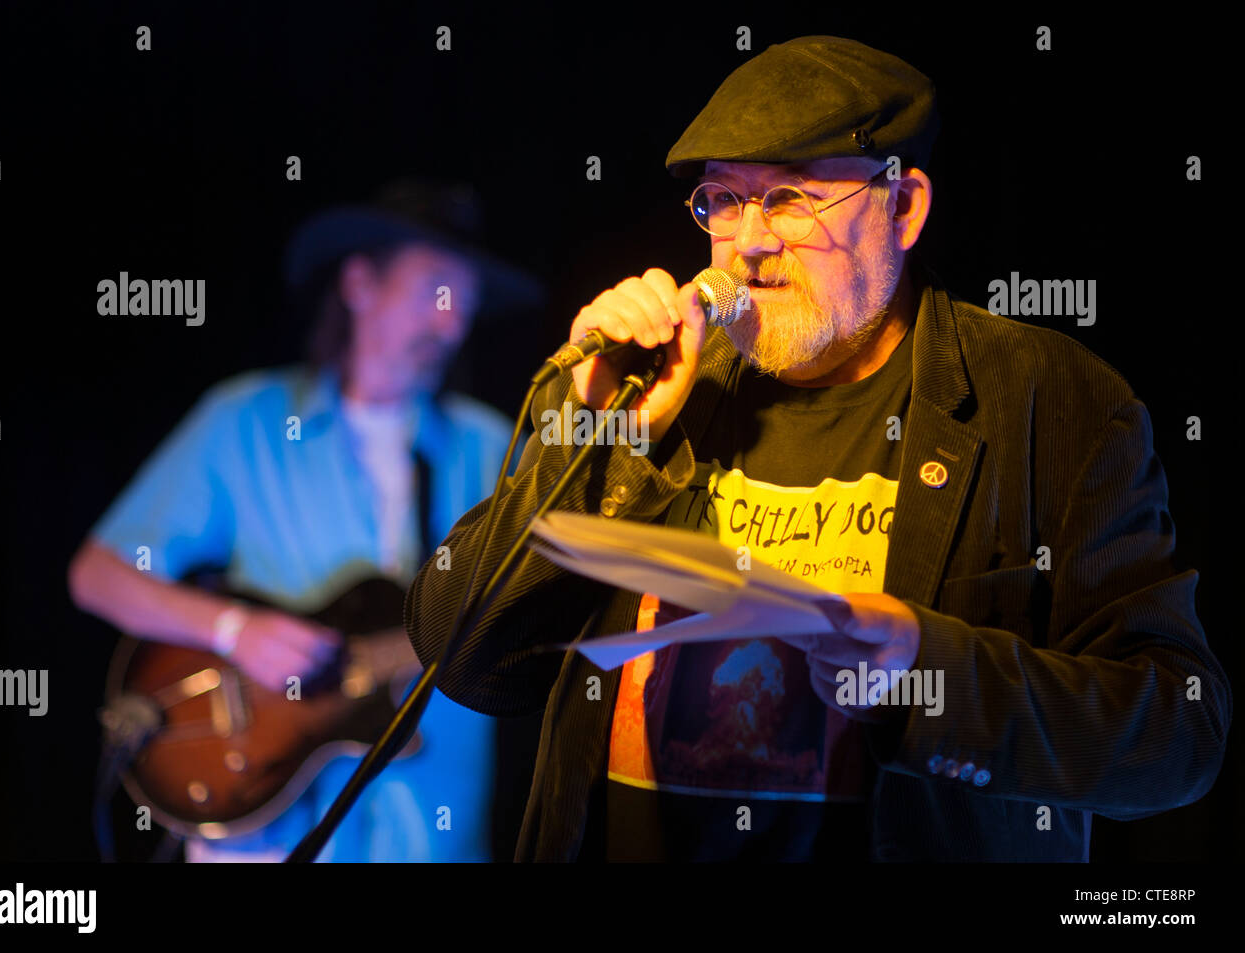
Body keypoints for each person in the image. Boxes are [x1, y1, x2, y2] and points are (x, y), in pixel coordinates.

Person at [404, 36, 1232, 862]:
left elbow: (1174, 734)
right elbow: (468, 658)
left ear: (902, 209)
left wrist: (923, 664)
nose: (749, 242)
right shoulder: (646, 385)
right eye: (723, 199)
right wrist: (612, 440)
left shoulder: (1052, 400)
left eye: (791, 197)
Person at [69, 178, 539, 862]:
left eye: (466, 302)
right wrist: (234, 631)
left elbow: (565, 588)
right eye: (436, 289)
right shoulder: (242, 420)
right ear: (359, 282)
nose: (452, 322)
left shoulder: (494, 449)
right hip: (264, 836)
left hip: (431, 837)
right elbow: (97, 575)